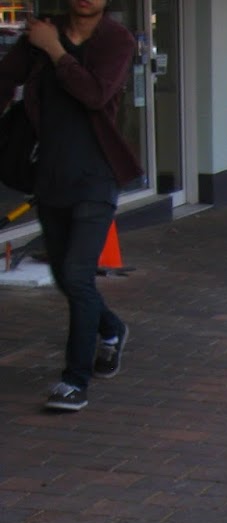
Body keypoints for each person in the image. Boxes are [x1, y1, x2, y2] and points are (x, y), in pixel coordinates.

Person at [0, 0, 140, 413]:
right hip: (51, 176)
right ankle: (112, 329)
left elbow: (95, 94)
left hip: (96, 175)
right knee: (66, 276)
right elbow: (5, 79)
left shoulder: (116, 39)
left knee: (78, 274)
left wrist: (56, 50)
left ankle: (73, 380)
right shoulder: (41, 33)